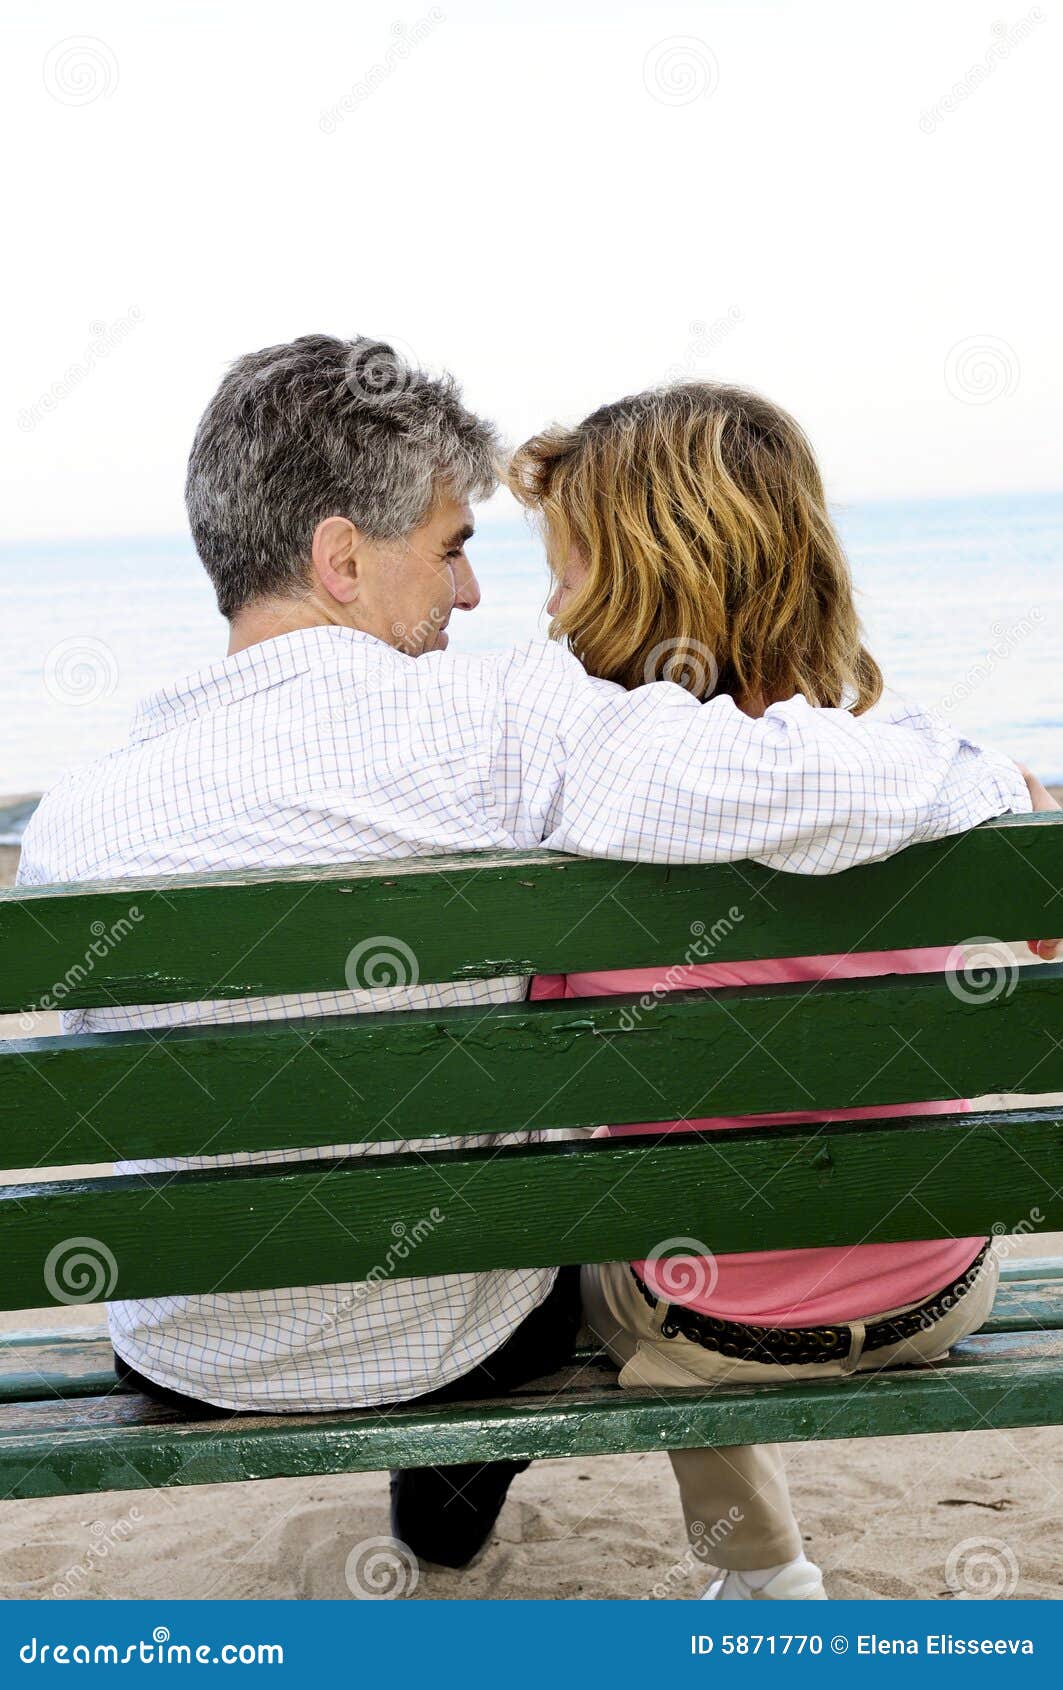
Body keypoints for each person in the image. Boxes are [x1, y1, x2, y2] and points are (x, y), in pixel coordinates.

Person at [17, 338, 1031, 1576]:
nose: (475, 598)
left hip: (185, 1350)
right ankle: (478, 1508)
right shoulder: (502, 724)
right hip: (451, 1340)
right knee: (544, 1194)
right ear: (342, 559)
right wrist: (995, 781)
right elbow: (793, 775)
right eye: (451, 549)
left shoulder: (75, 818)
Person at [511, 379, 1059, 1600]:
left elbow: (540, 1051)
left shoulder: (584, 824)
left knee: (623, 1230)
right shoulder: (937, 792)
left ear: (637, 578)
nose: (542, 607)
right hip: (943, 1279)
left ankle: (761, 1568)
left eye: (560, 571)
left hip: (708, 1328)